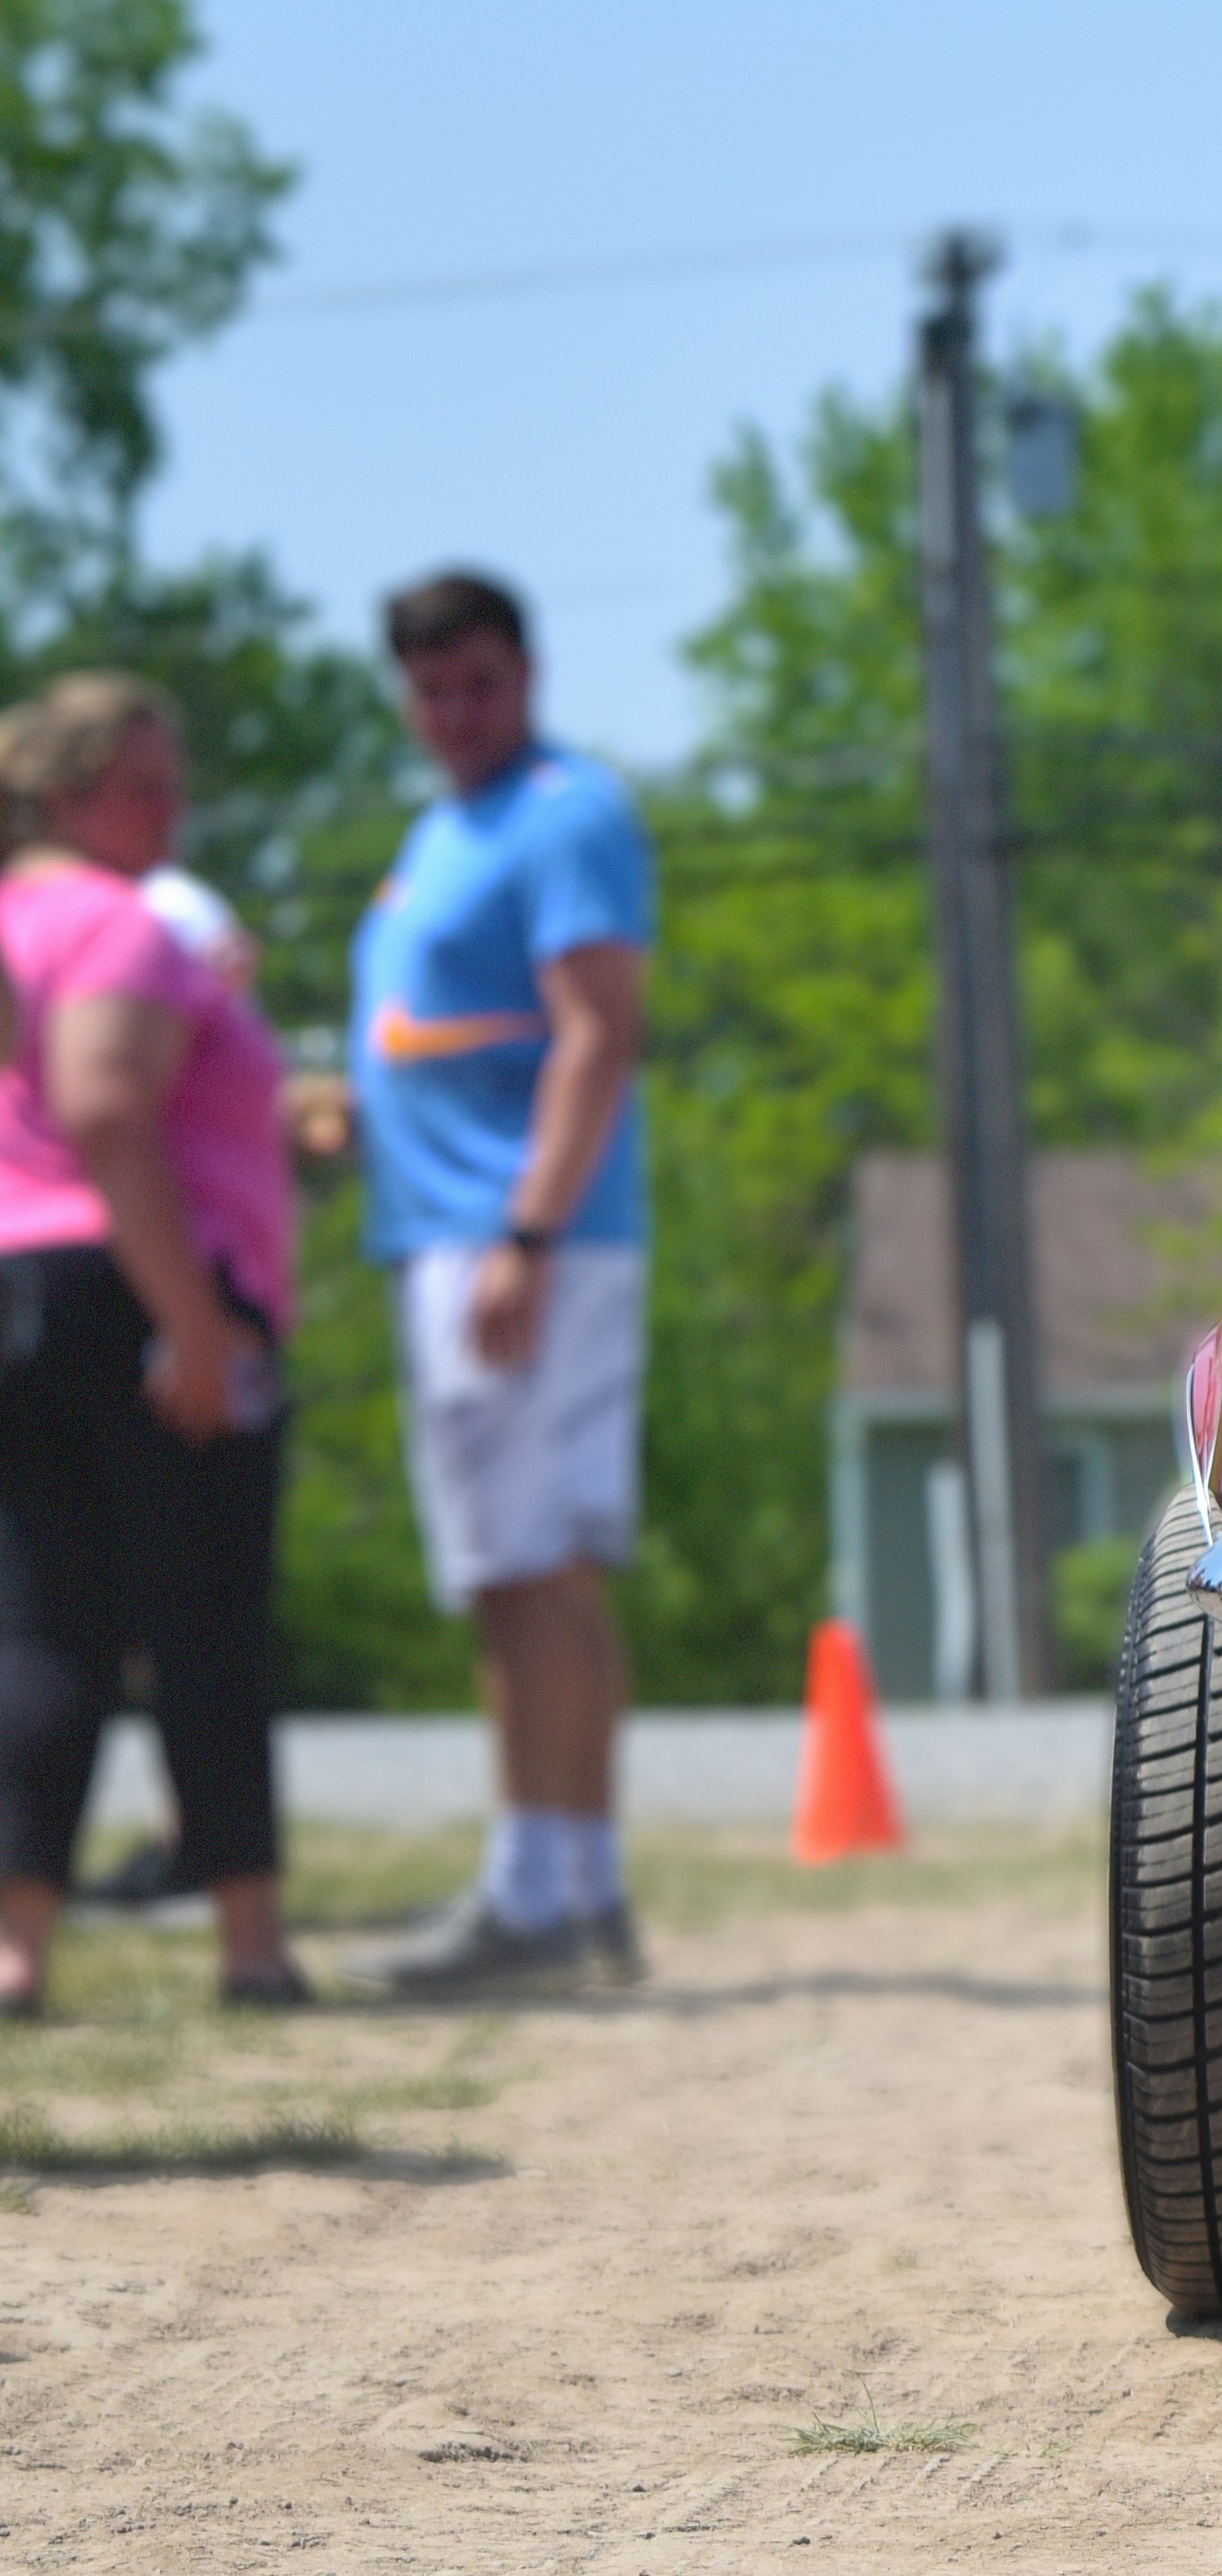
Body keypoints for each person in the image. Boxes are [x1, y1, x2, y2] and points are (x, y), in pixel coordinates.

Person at [347, 569, 657, 1993]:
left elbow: (598, 1032)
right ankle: (577, 1882)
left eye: (477, 681)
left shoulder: (562, 812)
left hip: (514, 1240)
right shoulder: (443, 828)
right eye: (429, 688)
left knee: (520, 1570)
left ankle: (531, 1889)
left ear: (524, 672)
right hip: (470, 1229)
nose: (454, 710)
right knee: (536, 1566)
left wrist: (526, 1234)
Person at [0, 674, 303, 2010]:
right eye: (147, 788)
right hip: (115, 1292)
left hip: (17, 1282)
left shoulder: (16, 917)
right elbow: (109, 1114)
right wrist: (192, 1325)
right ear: (68, 797)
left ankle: (16, 1949)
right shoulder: (107, 920)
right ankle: (248, 1942)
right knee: (204, 1623)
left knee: (44, 1627)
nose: (173, 812)